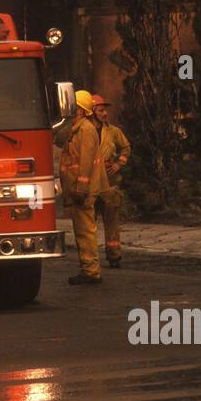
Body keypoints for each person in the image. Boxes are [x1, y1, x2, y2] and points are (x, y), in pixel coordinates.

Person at [60, 89, 108, 286]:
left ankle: (90, 271)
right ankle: (87, 268)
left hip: (83, 191)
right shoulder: (77, 129)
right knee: (81, 230)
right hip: (77, 190)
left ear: (80, 109)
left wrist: (81, 188)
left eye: (73, 106)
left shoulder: (85, 130)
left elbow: (86, 162)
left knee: (86, 230)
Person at [91, 94, 130, 268]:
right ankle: (90, 259)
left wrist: (118, 164)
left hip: (109, 182)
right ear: (91, 112)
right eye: (101, 110)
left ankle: (114, 256)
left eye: (105, 110)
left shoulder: (113, 131)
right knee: (88, 223)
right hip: (90, 183)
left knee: (112, 221)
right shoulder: (83, 131)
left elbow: (126, 148)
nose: (105, 113)